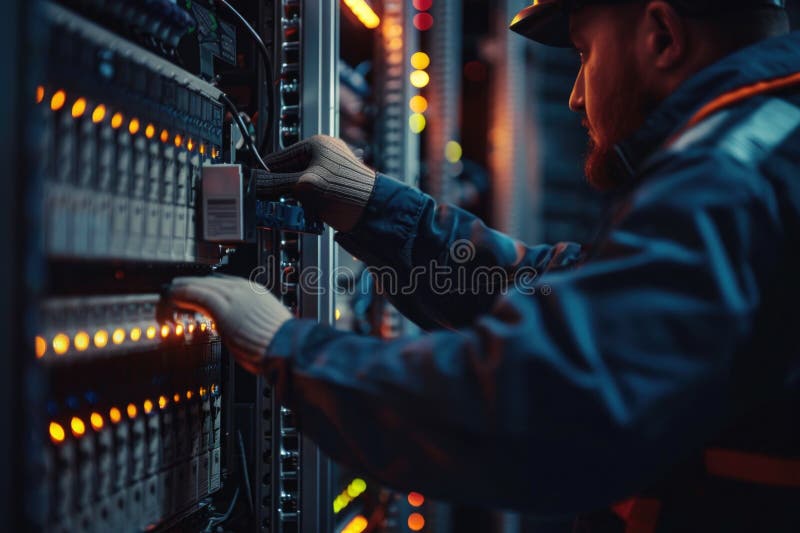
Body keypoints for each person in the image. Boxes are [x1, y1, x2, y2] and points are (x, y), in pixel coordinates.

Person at [167, 1, 800, 530]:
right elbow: (563, 286)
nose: (577, 97)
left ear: (661, 35)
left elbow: (539, 400)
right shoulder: (764, 148)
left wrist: (286, 347)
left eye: (584, 53)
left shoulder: (734, 171)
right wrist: (371, 204)